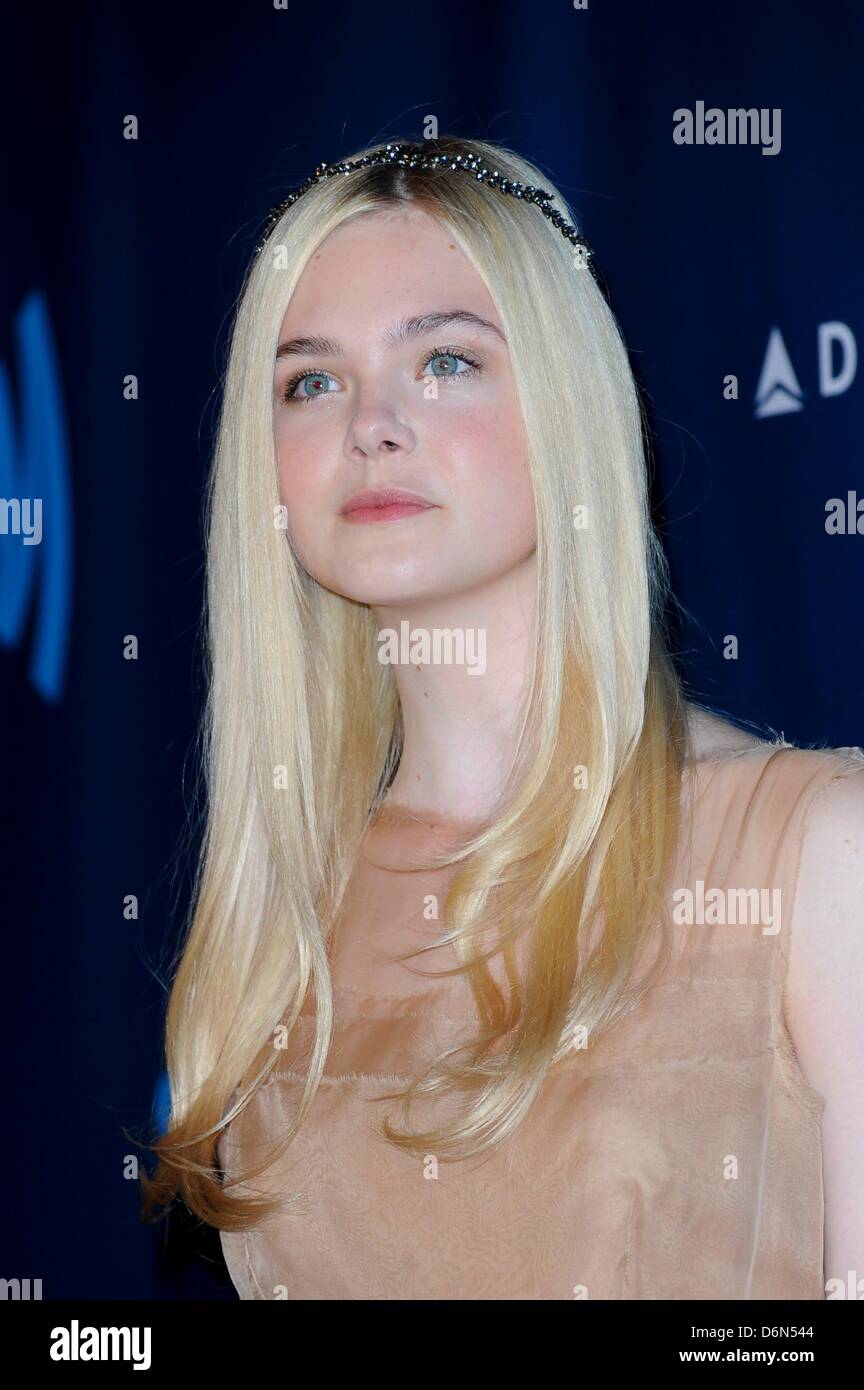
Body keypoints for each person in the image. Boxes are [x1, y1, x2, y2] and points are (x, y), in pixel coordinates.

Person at [140, 136, 864, 1300]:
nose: (371, 423)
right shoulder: (287, 907)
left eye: (445, 362)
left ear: (569, 404)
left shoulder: (815, 851)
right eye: (311, 381)